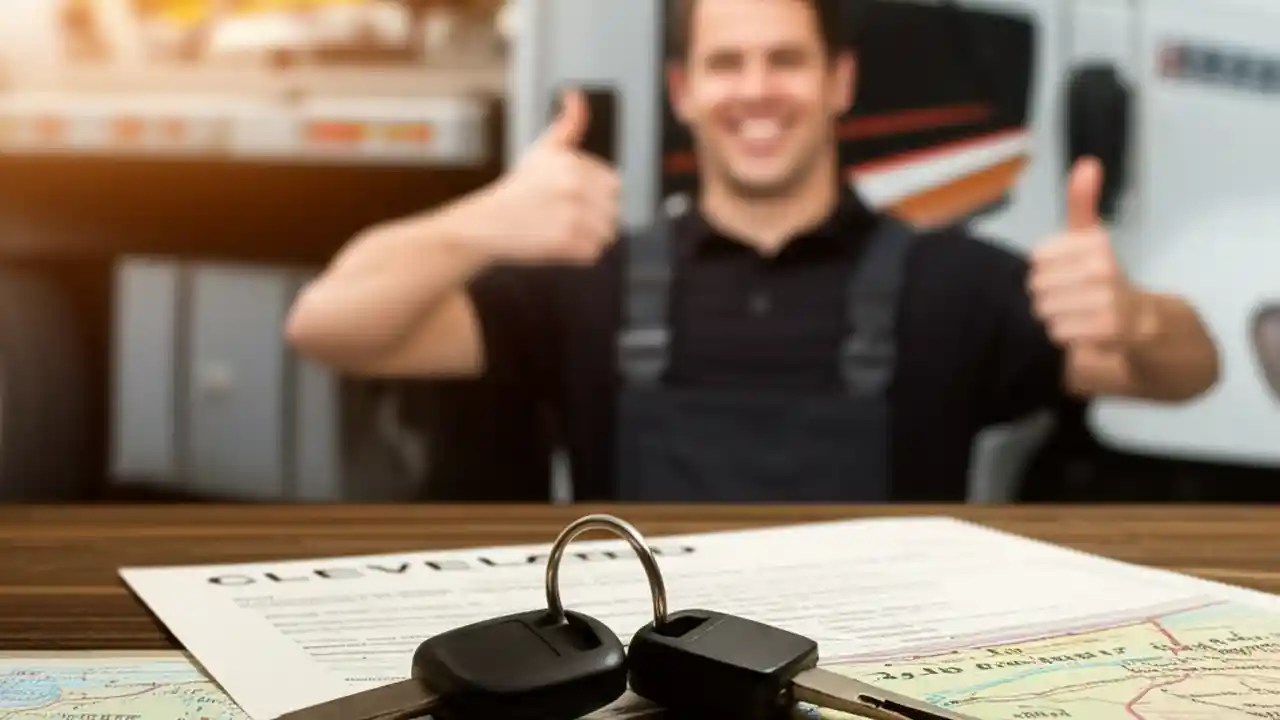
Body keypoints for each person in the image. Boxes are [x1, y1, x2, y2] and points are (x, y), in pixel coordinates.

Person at [285, 0, 1220, 502]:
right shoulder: (593, 287)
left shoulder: (953, 284)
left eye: (785, 59)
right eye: (727, 64)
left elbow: (1187, 374)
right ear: (684, 91)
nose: (756, 90)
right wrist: (485, 220)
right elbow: (330, 327)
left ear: (838, 81)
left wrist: (1140, 315)